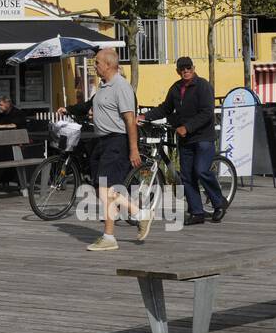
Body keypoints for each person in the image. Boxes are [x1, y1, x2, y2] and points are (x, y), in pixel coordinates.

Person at [58, 47, 152, 251]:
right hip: (101, 141)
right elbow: (95, 108)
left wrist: (133, 149)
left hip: (117, 141)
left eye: (97, 63)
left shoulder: (121, 87)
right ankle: (137, 215)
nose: (94, 66)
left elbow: (129, 120)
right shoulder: (102, 87)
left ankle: (112, 234)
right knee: (103, 189)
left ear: (109, 64)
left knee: (106, 190)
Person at [144, 56, 228, 225]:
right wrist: (144, 116)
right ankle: (196, 212)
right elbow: (165, 108)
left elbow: (206, 113)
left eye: (188, 67)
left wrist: (187, 127)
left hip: (203, 137)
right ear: (178, 71)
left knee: (201, 170)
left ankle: (219, 203)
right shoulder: (175, 88)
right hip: (185, 140)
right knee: (187, 176)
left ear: (193, 68)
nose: (185, 71)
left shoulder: (203, 86)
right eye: (182, 69)